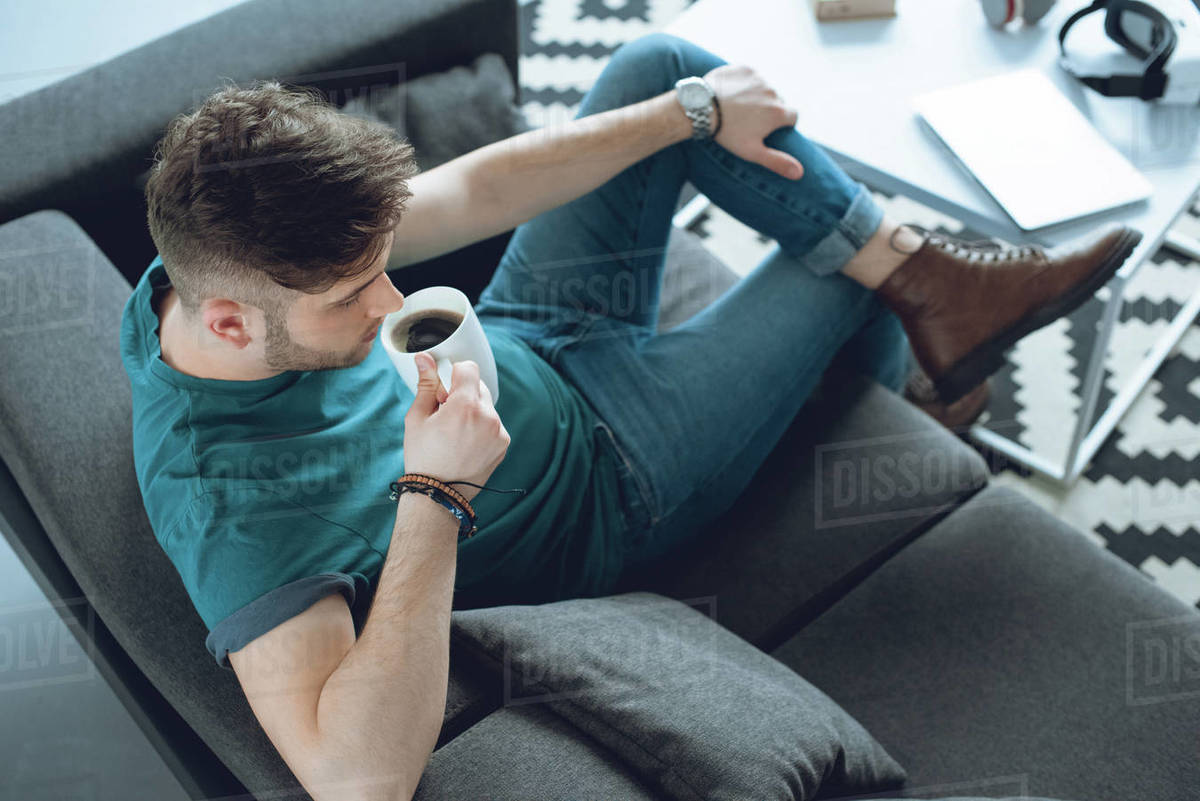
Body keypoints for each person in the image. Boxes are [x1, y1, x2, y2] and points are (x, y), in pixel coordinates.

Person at [120, 32, 1139, 801]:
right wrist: (435, 492)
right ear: (228, 323)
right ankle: (926, 345)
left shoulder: (222, 257)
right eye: (354, 299)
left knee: (669, 70)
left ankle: (932, 308)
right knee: (846, 281)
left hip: (539, 331)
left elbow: (471, 189)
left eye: (382, 273)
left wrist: (687, 115)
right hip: (615, 471)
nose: (392, 306)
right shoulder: (225, 502)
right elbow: (353, 777)